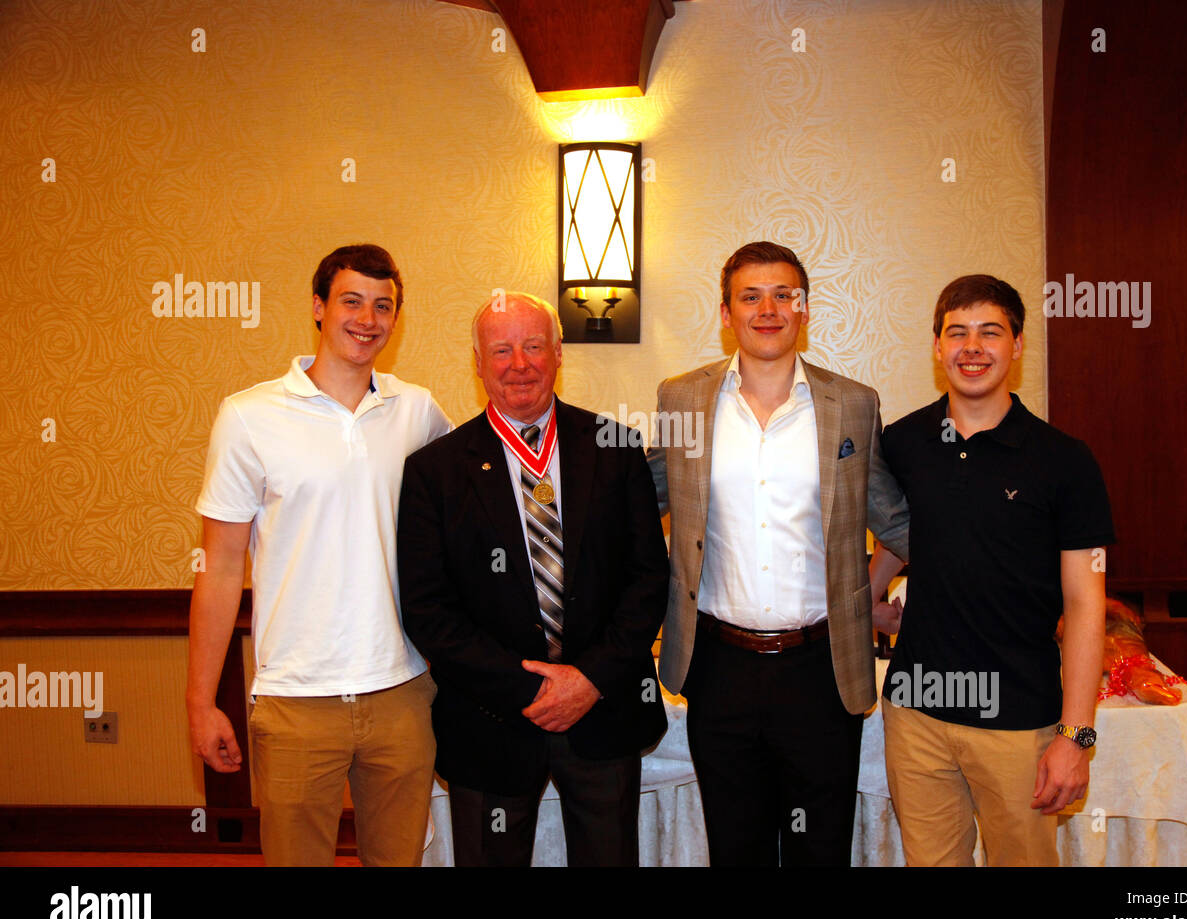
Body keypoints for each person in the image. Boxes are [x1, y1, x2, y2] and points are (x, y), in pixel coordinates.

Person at [187, 244, 451, 866]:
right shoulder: (249, 417)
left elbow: (469, 523)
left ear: (397, 317)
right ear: (318, 308)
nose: (367, 318)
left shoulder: (418, 412)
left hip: (404, 692)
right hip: (295, 698)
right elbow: (220, 569)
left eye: (383, 305)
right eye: (351, 300)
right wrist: (202, 703)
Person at [648, 241, 910, 866]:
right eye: (751, 295)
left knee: (818, 850)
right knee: (736, 851)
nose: (768, 308)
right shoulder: (682, 399)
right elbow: (635, 504)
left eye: (783, 294)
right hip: (718, 667)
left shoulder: (852, 404)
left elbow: (894, 520)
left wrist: (867, 598)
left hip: (820, 670)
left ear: (805, 308)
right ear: (725, 312)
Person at [396, 292, 668, 866]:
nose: (519, 364)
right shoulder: (434, 470)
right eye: (501, 349)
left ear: (558, 353)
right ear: (477, 362)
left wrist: (587, 680)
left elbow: (648, 581)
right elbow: (427, 608)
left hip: (603, 714)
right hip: (489, 721)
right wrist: (532, 690)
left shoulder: (615, 448)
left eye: (533, 346)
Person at [870, 273, 1112, 866]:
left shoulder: (1065, 461)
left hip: (1018, 718)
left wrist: (1075, 735)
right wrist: (867, 602)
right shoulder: (902, 442)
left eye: (990, 332)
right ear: (936, 346)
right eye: (957, 332)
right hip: (915, 710)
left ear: (1018, 345)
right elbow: (903, 536)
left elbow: (1086, 604)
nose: (971, 347)